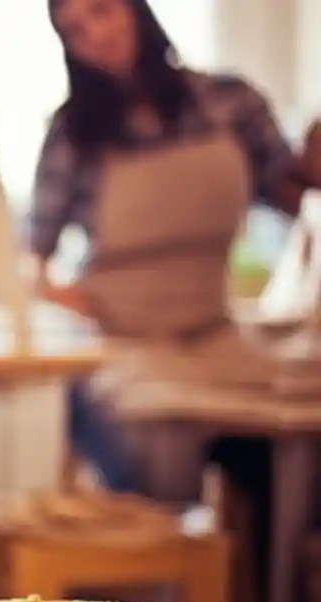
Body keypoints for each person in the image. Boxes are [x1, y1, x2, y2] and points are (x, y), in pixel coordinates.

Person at [31, 0, 321, 499]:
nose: (93, 36)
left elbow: (287, 196)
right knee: (159, 449)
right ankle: (161, 571)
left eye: (101, 12)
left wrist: (310, 172)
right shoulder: (72, 134)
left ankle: (265, 575)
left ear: (134, 10)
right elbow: (30, 260)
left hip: (215, 336)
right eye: (74, 31)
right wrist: (68, 299)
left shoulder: (231, 103)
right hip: (125, 347)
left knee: (297, 431)